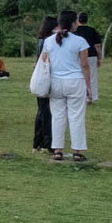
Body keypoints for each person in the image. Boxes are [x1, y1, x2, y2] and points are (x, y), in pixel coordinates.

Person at [38, 8, 94, 162]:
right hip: (75, 81)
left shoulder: (49, 41)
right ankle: (77, 151)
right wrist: (89, 87)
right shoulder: (80, 41)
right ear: (73, 23)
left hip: (56, 82)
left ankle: (57, 150)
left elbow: (43, 62)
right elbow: (85, 65)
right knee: (76, 117)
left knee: (57, 117)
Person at [31, 14, 58, 153]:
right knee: (47, 112)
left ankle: (37, 143)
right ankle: (48, 142)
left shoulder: (42, 40)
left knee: (42, 111)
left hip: (40, 78)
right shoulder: (49, 41)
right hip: (46, 78)